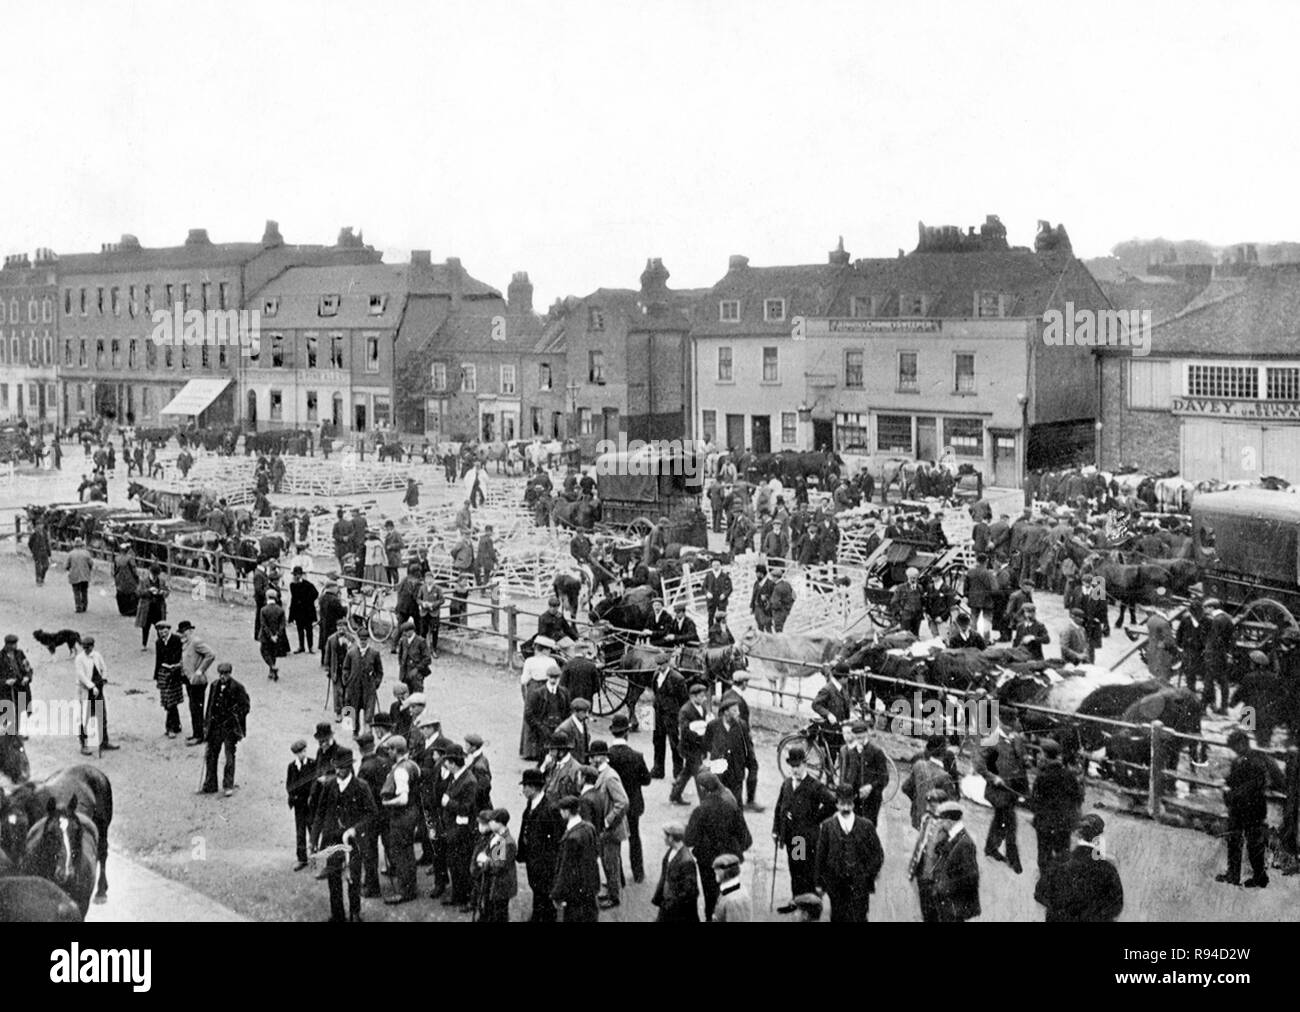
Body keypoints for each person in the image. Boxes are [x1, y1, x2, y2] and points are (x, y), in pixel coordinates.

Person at [311, 748, 375, 923]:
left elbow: (371, 814)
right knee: (333, 878)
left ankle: (355, 913)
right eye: (337, 767)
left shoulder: (361, 786)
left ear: (350, 767)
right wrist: (314, 839)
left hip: (353, 842)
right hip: (332, 841)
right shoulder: (329, 785)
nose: (338, 771)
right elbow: (320, 813)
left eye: (343, 768)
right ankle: (337, 914)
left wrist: (356, 829)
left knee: (353, 878)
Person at [1217, 729, 1283, 888]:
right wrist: (1228, 789)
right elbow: (1233, 781)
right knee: (1234, 841)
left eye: (1236, 746)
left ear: (1243, 743)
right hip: (1239, 809)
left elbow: (1256, 784)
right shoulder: (1239, 760)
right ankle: (1233, 874)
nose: (1235, 750)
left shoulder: (1256, 760)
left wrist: (1235, 793)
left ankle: (1260, 877)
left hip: (1252, 808)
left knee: (1254, 846)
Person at [772, 746, 835, 911]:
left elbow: (832, 803)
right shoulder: (786, 783)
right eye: (792, 766)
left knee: (803, 870)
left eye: (798, 766)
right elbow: (779, 808)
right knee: (795, 869)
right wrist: (776, 830)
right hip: (790, 836)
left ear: (805, 765)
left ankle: (808, 904)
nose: (795, 769)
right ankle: (798, 900)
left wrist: (815, 819)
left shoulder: (814, 785)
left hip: (803, 838)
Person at [685, 771, 752, 920]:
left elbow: (689, 839)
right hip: (730, 861)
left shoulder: (700, 811)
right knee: (731, 894)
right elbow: (746, 838)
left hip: (707, 863)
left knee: (711, 900)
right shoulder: (730, 806)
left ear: (702, 789)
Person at [814, 782, 885, 922]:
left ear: (853, 804)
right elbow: (820, 856)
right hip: (836, 886)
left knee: (859, 917)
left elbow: (878, 855)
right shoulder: (828, 827)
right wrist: (819, 883)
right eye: (842, 804)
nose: (846, 808)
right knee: (838, 917)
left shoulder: (866, 826)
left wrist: (867, 875)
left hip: (859, 887)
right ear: (837, 804)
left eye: (849, 803)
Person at [1038, 814, 1124, 921]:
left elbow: (1040, 894)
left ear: (1078, 835)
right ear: (1099, 838)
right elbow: (1116, 907)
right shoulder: (1108, 869)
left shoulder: (1060, 861)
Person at [976, 718, 1029, 874]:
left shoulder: (1016, 738)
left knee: (1000, 819)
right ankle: (1014, 861)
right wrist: (993, 778)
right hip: (999, 790)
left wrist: (1026, 759)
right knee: (1011, 825)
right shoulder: (991, 739)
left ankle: (990, 848)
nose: (1016, 726)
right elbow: (979, 765)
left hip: (1013, 789)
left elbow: (1021, 760)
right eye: (1013, 723)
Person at [607, 714, 652, 883]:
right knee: (635, 838)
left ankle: (618, 876)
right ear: (627, 733)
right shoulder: (637, 756)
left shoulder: (608, 756)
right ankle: (638, 872)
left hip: (614, 805)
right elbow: (646, 780)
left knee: (615, 840)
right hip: (633, 803)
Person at [586, 740, 629, 908]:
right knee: (607, 860)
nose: (591, 760)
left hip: (612, 829)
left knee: (611, 863)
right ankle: (612, 890)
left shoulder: (609, 777)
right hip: (606, 829)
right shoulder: (601, 774)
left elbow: (623, 802)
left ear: (602, 757)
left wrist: (607, 820)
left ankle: (614, 897)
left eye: (594, 756)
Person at [1029, 739, 1083, 875]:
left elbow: (1034, 801)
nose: (1038, 755)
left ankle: (1046, 887)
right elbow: (1078, 797)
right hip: (1064, 824)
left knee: (1044, 857)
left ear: (1046, 756)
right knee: (1063, 855)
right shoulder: (1069, 775)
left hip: (1045, 825)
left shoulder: (1042, 777)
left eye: (1041, 753)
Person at [379, 735, 421, 905]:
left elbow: (403, 798)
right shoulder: (412, 765)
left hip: (401, 816)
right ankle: (410, 887)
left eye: (389, 749)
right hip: (412, 813)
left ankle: (405, 891)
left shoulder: (400, 770)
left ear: (397, 750)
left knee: (401, 853)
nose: (388, 752)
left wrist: (387, 803)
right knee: (407, 851)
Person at [517, 768, 563, 921]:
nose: (523, 790)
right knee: (537, 890)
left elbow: (556, 840)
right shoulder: (532, 804)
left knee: (545, 893)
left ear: (533, 787)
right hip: (533, 860)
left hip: (544, 863)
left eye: (525, 786)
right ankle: (537, 915)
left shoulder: (549, 809)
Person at [200, 663, 250, 797]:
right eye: (221, 674)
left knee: (229, 757)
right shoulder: (214, 685)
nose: (223, 677)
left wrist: (236, 715)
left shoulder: (237, 687)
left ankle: (228, 785)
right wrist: (206, 725)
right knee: (211, 755)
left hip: (230, 729)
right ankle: (210, 785)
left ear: (230, 674)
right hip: (215, 727)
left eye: (226, 674)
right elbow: (210, 706)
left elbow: (246, 707)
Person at [440, 743, 480, 910]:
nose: (445, 765)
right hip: (452, 829)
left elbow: (467, 808)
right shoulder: (457, 777)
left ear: (453, 763)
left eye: (447, 761)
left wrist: (449, 803)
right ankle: (458, 895)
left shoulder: (468, 781)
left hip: (462, 831)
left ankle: (463, 897)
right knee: (454, 863)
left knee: (461, 865)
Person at [552, 794, 602, 922]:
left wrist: (557, 893)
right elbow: (596, 851)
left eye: (562, 810)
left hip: (574, 891)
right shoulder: (589, 827)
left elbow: (565, 868)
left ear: (567, 811)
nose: (560, 813)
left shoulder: (571, 838)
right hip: (590, 885)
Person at [931, 800, 980, 922]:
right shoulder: (951, 835)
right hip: (948, 903)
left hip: (954, 906)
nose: (939, 824)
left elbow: (971, 877)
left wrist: (945, 888)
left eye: (941, 821)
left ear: (949, 821)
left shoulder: (965, 844)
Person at [838, 720, 890, 825]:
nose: (859, 740)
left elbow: (884, 777)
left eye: (861, 737)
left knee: (868, 828)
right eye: (857, 738)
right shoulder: (850, 752)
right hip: (855, 799)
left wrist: (870, 786)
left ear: (867, 734)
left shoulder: (876, 752)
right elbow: (847, 776)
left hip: (872, 799)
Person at [669, 679, 711, 805]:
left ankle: (675, 794)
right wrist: (700, 737)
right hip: (690, 747)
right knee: (699, 773)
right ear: (693, 696)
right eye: (701, 696)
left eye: (704, 696)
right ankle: (704, 802)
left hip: (698, 746)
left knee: (687, 771)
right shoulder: (685, 711)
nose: (704, 699)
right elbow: (685, 731)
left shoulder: (701, 708)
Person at [74, 637, 117, 755]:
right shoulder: (79, 659)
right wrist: (91, 686)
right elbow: (81, 675)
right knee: (85, 717)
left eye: (88, 647)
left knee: (102, 715)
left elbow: (104, 668)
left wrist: (104, 679)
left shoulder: (97, 656)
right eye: (84, 647)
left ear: (92, 646)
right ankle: (84, 744)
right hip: (86, 691)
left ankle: (104, 741)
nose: (86, 650)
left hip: (98, 690)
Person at [651, 822, 699, 923]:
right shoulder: (671, 852)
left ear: (671, 838)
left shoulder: (687, 861)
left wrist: (670, 904)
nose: (663, 838)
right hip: (667, 905)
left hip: (676, 911)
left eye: (665, 835)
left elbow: (689, 892)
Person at [650, 654, 687, 780]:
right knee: (657, 741)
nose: (660, 667)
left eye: (662, 665)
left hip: (672, 715)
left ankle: (678, 772)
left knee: (675, 743)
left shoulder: (677, 678)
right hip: (659, 714)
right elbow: (655, 691)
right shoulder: (656, 676)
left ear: (668, 663)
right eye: (658, 665)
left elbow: (683, 699)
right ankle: (658, 769)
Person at [177, 621, 214, 746]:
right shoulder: (187, 643)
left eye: (184, 632)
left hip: (197, 681)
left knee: (197, 708)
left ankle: (199, 736)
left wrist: (200, 670)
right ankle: (196, 733)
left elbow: (211, 654)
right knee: (193, 707)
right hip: (190, 680)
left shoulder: (196, 641)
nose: (182, 634)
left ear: (189, 631)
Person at [477, 809, 517, 922]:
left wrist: (485, 860)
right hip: (495, 885)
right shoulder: (497, 837)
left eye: (491, 821)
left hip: (501, 887)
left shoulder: (506, 842)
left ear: (499, 823)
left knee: (499, 915)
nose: (489, 823)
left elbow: (498, 865)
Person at [286, 739, 317, 871]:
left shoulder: (312, 764)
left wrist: (312, 796)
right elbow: (289, 785)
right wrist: (293, 796)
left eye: (303, 751)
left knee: (312, 830)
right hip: (299, 804)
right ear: (295, 754)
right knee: (300, 832)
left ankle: (314, 855)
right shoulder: (292, 766)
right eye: (299, 753)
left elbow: (315, 783)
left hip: (310, 803)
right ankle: (301, 858)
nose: (302, 755)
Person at [152, 621, 185, 738]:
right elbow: (158, 659)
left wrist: (175, 668)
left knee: (171, 701)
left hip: (174, 673)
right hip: (163, 673)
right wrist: (156, 677)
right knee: (168, 701)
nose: (162, 632)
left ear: (169, 629)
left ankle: (170, 727)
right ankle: (176, 725)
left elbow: (179, 655)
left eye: (164, 629)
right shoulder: (158, 642)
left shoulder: (176, 640)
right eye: (159, 630)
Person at [258, 589, 289, 681]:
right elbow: (283, 625)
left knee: (264, 651)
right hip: (277, 636)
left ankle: (272, 667)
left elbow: (263, 625)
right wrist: (277, 635)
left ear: (267, 597)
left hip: (266, 636)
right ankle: (272, 671)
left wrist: (270, 635)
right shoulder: (280, 610)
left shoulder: (263, 610)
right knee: (273, 653)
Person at [711, 853, 752, 922]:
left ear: (723, 872)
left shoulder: (734, 900)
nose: (715, 874)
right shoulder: (729, 890)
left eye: (716, 872)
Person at [396, 619, 432, 694]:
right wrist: (402, 667)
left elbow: (427, 659)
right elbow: (400, 655)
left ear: (412, 630)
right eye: (403, 632)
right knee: (404, 696)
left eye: (406, 631)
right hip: (405, 674)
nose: (404, 634)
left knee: (417, 697)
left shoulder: (421, 641)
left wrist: (417, 669)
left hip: (416, 675)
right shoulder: (403, 641)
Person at [288, 568, 319, 654]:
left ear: (301, 575)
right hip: (298, 611)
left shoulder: (308, 584)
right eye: (294, 575)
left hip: (307, 611)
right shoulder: (292, 585)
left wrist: (308, 601)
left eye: (297, 574)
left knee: (309, 629)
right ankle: (301, 646)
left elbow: (315, 594)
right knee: (300, 629)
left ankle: (310, 647)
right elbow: (294, 598)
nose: (295, 576)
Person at [702, 559, 732, 630]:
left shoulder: (724, 576)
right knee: (710, 617)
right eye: (714, 565)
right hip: (711, 600)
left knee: (722, 617)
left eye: (717, 565)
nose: (716, 567)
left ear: (720, 566)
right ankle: (711, 633)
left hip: (721, 600)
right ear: (712, 566)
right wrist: (707, 593)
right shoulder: (708, 576)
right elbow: (704, 587)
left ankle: (724, 633)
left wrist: (724, 594)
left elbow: (730, 588)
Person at [66, 537, 93, 613]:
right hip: (85, 575)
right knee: (84, 591)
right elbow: (91, 563)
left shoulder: (71, 554)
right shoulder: (86, 553)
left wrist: (70, 569)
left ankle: (78, 606)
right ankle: (84, 605)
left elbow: (66, 566)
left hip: (74, 575)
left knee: (76, 591)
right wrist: (88, 570)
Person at [770, 567, 795, 633]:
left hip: (778, 613)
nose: (772, 579)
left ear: (776, 577)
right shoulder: (787, 584)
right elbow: (794, 596)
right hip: (786, 611)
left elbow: (775, 603)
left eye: (772, 577)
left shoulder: (777, 588)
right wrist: (788, 607)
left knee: (778, 630)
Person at [28, 520, 50, 586]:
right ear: (36, 526)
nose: (40, 526)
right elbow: (30, 543)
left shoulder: (45, 533)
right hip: (38, 552)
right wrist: (33, 551)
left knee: (46, 566)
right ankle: (38, 580)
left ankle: (42, 577)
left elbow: (47, 543)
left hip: (44, 551)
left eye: (41, 525)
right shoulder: (34, 534)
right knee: (38, 566)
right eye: (39, 525)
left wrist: (49, 552)